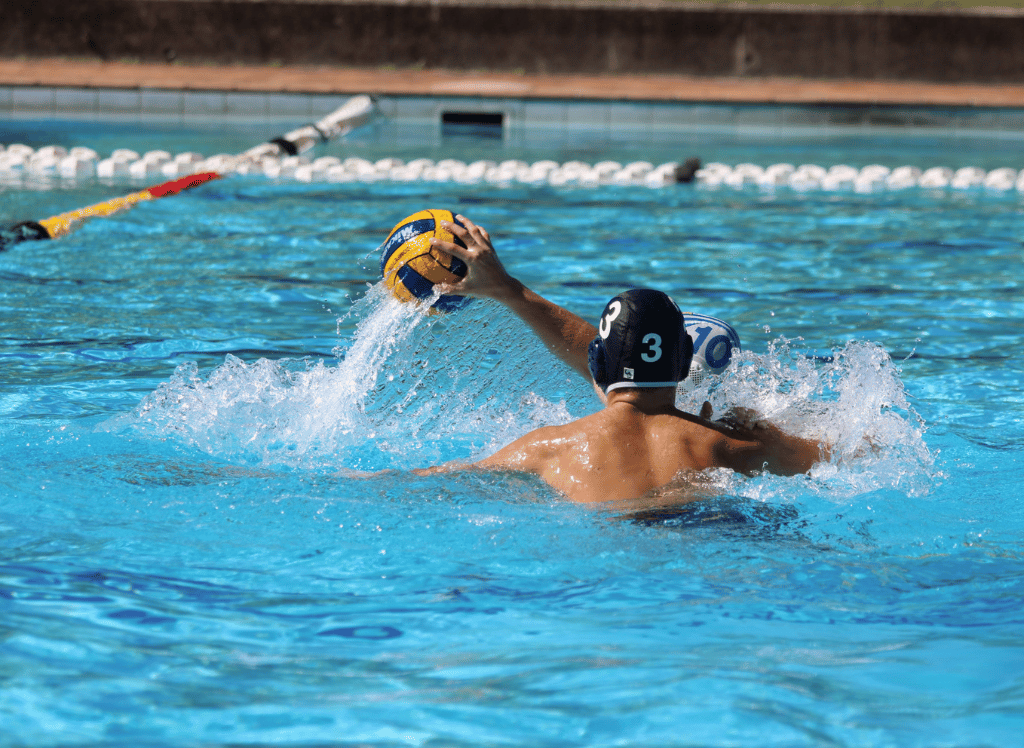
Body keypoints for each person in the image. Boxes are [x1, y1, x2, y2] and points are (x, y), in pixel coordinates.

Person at [409, 215, 828, 504]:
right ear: (683, 366)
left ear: (597, 363)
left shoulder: (547, 447)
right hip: (708, 536)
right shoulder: (731, 444)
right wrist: (768, 431)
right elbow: (854, 450)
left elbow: (442, 478)